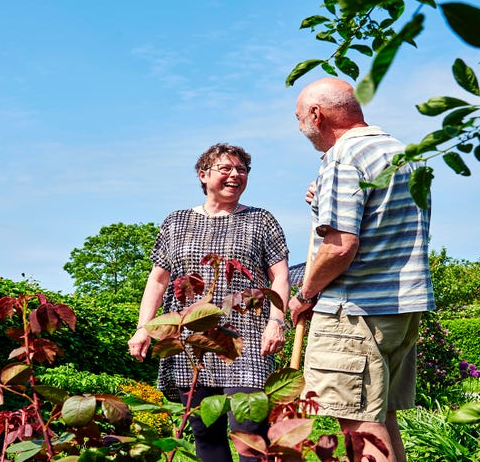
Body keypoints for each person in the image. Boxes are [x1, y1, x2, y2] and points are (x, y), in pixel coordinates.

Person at [289, 78, 435, 462]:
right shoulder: (403, 154)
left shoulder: (343, 157)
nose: (301, 128)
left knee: (358, 426)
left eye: (300, 118)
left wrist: (304, 294)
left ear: (317, 115)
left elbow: (340, 246)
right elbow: (380, 220)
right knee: (381, 418)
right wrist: (324, 197)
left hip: (355, 311)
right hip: (401, 306)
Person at [128, 143, 290, 462]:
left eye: (241, 170)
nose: (235, 175)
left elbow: (280, 277)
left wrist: (277, 320)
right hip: (190, 343)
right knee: (205, 433)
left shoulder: (262, 220)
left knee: (249, 431)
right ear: (203, 175)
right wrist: (144, 328)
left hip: (247, 342)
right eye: (226, 169)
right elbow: (158, 280)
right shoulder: (176, 222)